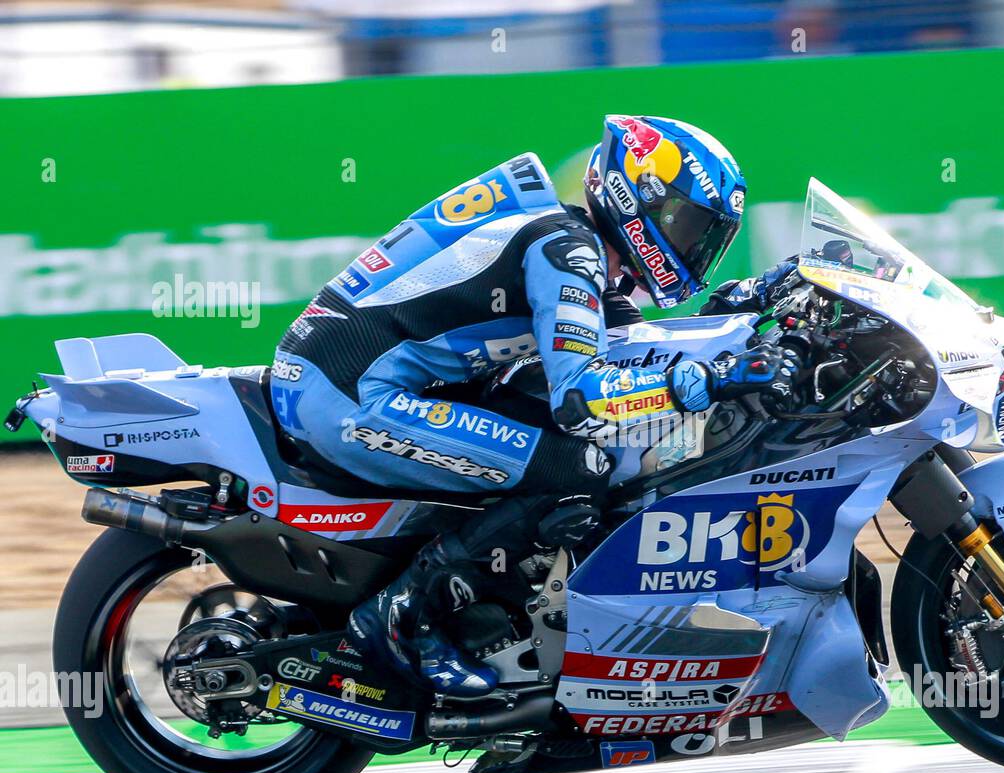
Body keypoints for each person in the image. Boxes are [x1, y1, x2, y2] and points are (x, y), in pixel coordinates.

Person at [271, 115, 797, 697]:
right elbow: (581, 399)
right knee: (579, 464)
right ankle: (399, 619)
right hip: (348, 395)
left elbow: (647, 350)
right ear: (638, 194)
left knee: (565, 444)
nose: (694, 246)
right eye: (687, 224)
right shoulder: (566, 250)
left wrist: (747, 303)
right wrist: (704, 381)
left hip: (363, 384)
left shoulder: (576, 248)